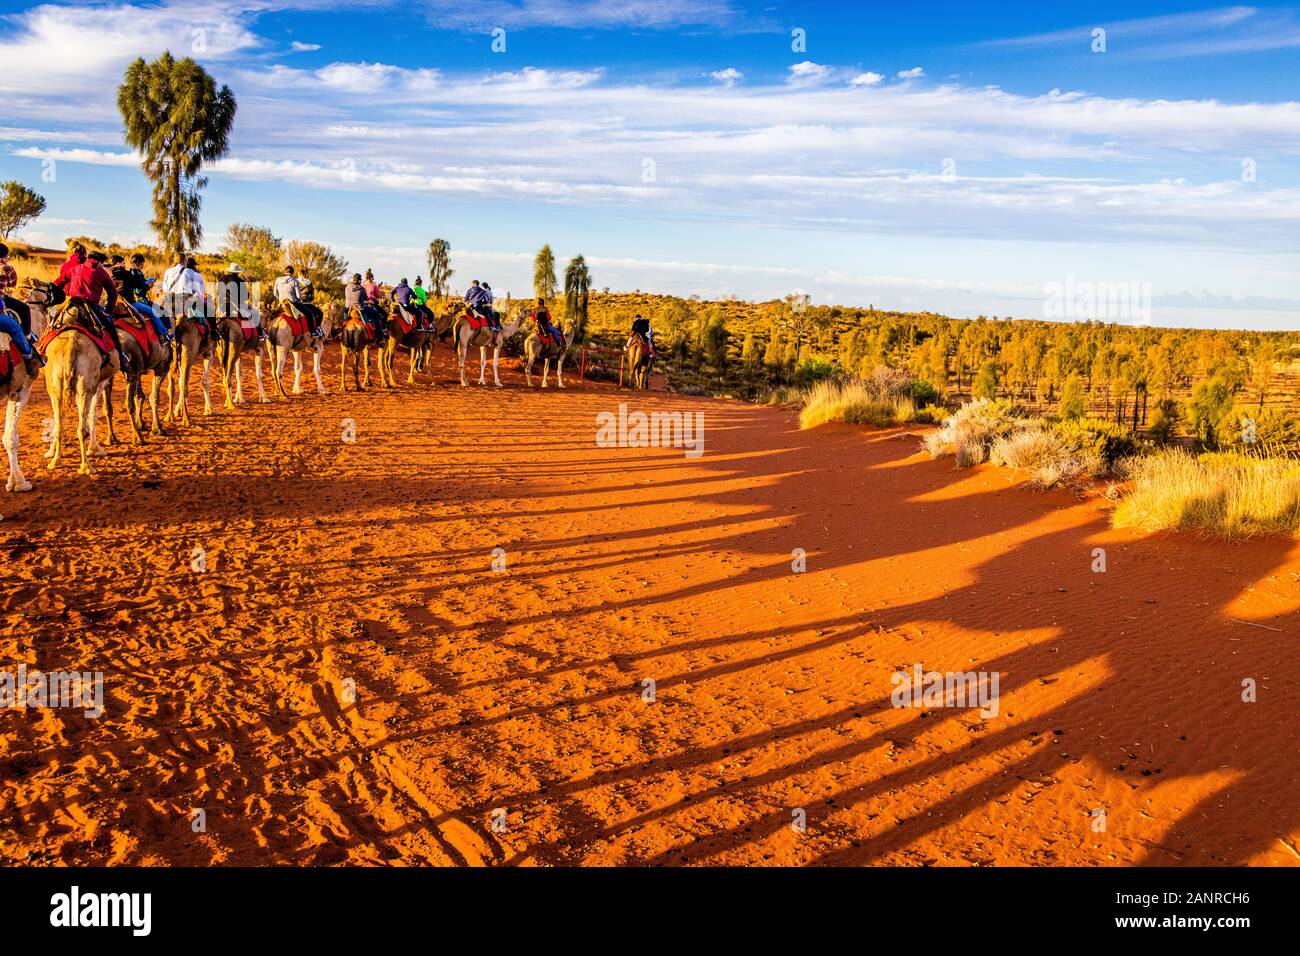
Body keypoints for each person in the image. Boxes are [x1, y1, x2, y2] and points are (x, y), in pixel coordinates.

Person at [54, 249, 130, 370]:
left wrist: (59, 297)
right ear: (99, 262)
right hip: (91, 307)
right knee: (110, 326)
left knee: (53, 322)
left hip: (71, 303)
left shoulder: (75, 268)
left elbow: (58, 282)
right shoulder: (101, 272)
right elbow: (112, 293)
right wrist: (108, 310)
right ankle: (121, 356)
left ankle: (41, 347)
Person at [111, 253, 172, 344]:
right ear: (118, 263)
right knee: (154, 312)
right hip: (130, 302)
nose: (125, 265)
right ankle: (164, 335)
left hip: (115, 304)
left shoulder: (108, 274)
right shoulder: (127, 274)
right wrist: (148, 285)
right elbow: (140, 286)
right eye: (123, 263)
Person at [0, 242, 42, 369]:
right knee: (16, 326)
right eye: (7, 256)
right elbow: (13, 284)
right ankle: (29, 355)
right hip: (3, 299)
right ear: (3, 257)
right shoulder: (6, 268)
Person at [274, 265, 323, 338]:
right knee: (309, 314)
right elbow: (299, 296)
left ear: (284, 272)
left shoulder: (278, 279)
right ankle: (313, 332)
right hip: (293, 303)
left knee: (271, 315)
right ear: (293, 273)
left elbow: (275, 293)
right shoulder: (295, 281)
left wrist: (280, 299)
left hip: (281, 303)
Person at [161, 250, 202, 320]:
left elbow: (165, 288)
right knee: (201, 316)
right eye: (186, 261)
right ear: (184, 261)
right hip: (185, 299)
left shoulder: (167, 271)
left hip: (170, 299)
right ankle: (205, 326)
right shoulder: (190, 271)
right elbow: (196, 289)